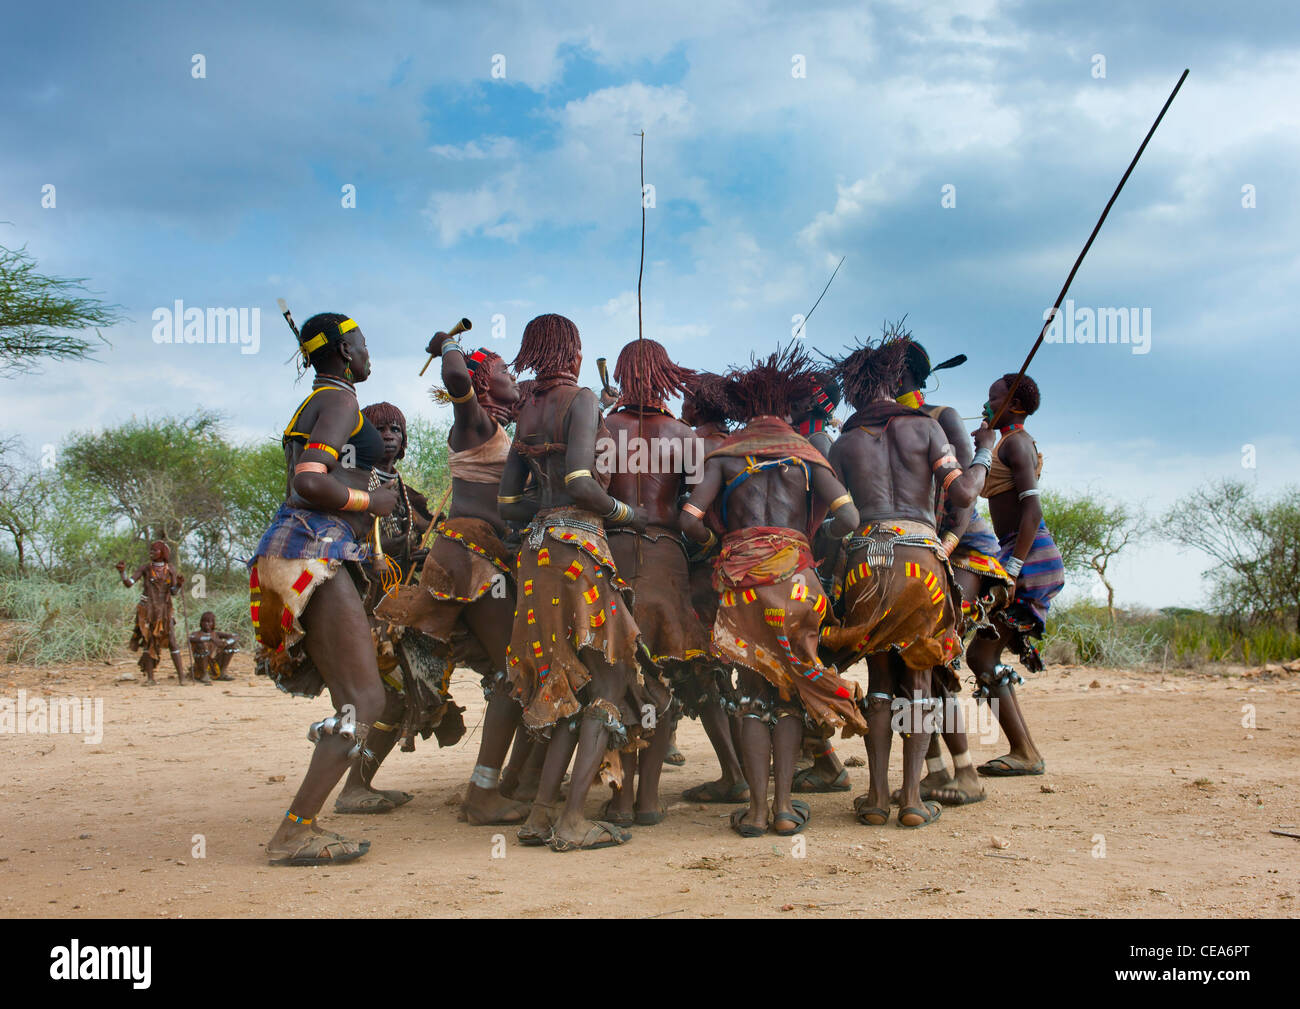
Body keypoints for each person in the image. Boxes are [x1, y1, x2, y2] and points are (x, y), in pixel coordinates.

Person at [679, 345, 862, 838]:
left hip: (741, 585)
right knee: (789, 690)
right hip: (797, 582)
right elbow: (848, 518)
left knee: (751, 692)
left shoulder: (724, 456)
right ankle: (784, 809)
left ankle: (756, 812)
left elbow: (688, 520)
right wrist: (806, 541)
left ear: (744, 406)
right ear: (788, 406)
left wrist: (723, 544)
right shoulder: (807, 454)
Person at [820, 331, 993, 829]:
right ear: (894, 382)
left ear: (855, 389)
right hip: (921, 563)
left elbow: (833, 521)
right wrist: (983, 452)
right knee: (919, 679)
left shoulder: (846, 440)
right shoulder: (925, 429)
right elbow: (961, 495)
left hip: (866, 563)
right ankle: (913, 800)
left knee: (878, 682)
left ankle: (875, 798)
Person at [249, 311, 397, 866]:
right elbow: (308, 481)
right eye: (360, 341)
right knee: (366, 699)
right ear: (340, 350)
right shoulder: (340, 402)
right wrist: (369, 502)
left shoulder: (317, 402)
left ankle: (302, 823)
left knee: (354, 697)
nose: (367, 353)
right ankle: (294, 831)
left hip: (305, 547)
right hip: (316, 546)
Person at [497, 313, 649, 852]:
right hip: (578, 548)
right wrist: (627, 514)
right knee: (607, 685)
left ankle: (541, 817)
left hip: (534, 552)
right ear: (573, 352)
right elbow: (582, 481)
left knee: (566, 681)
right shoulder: (580, 398)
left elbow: (507, 501)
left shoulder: (526, 410)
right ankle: (573, 821)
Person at [375, 343, 534, 826]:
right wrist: (450, 346)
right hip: (472, 557)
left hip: (480, 554)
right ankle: (483, 794)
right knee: (513, 673)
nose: (513, 376)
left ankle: (508, 783)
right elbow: (456, 379)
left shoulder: (498, 429)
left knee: (503, 672)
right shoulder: (475, 422)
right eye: (505, 370)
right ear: (484, 381)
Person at [888, 338, 1009, 806]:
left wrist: (946, 546)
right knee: (902, 665)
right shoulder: (876, 427)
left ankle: (966, 773)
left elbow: (966, 495)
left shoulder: (942, 417)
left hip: (959, 550)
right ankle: (934, 771)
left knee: (932, 659)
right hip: (913, 551)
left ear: (904, 375)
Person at [598, 338, 708, 827]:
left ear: (621, 373)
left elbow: (586, 493)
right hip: (667, 559)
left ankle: (618, 799)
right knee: (660, 680)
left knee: (616, 678)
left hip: (610, 554)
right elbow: (697, 511)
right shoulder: (685, 435)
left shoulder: (602, 427)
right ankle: (647, 800)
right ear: (667, 375)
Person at [333, 400, 444, 816]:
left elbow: (411, 538)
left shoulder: (403, 490)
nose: (390, 436)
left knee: (398, 698)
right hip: (366, 607)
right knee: (381, 698)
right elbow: (352, 545)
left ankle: (360, 785)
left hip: (399, 606)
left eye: (396, 429)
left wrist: (419, 553)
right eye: (380, 430)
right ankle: (352, 788)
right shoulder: (355, 485)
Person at [966, 373, 1065, 778]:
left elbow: (1033, 510)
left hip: (1029, 556)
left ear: (1016, 406)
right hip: (1016, 552)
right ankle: (1024, 750)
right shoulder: (1004, 443)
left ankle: (1025, 751)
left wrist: (1012, 567)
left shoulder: (1020, 443)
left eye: (995, 398)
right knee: (982, 654)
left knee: (981, 653)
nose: (986, 403)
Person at [677, 373, 748, 805]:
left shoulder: (692, 446)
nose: (681, 405)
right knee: (736, 674)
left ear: (698, 407)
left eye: (686, 399)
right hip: (747, 574)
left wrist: (705, 546)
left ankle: (735, 775)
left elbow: (685, 516)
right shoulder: (743, 446)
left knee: (703, 672)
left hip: (704, 572)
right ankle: (747, 769)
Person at [115, 541, 184, 686]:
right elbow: (129, 583)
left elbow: (173, 592)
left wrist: (178, 584)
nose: (151, 552)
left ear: (163, 553)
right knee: (149, 641)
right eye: (150, 550)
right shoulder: (145, 568)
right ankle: (150, 678)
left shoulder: (170, 569)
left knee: (172, 641)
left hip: (164, 610)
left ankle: (182, 678)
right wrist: (122, 573)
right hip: (147, 609)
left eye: (155, 550)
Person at [188, 610, 238, 684]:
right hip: (201, 665)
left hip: (215, 663)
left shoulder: (216, 634)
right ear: (201, 623)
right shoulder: (196, 634)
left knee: (230, 645)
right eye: (204, 621)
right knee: (200, 644)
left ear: (213, 624)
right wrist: (210, 639)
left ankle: (222, 673)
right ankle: (204, 674)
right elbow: (190, 638)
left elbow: (235, 636)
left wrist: (226, 643)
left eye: (209, 622)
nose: (206, 624)